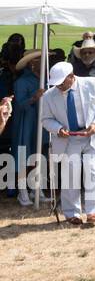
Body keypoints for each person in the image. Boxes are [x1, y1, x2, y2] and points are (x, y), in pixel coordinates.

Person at [40, 61, 95, 225]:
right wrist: (58, 129)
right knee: (70, 173)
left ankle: (93, 211)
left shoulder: (93, 84)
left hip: (92, 134)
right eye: (56, 83)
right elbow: (45, 119)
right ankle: (72, 213)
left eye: (61, 82)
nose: (58, 86)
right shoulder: (48, 95)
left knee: (91, 168)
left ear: (71, 77)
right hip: (68, 138)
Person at [8, 51, 42, 205]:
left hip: (38, 122)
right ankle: (22, 193)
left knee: (38, 155)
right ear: (31, 62)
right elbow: (20, 104)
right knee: (23, 156)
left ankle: (36, 189)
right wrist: (35, 98)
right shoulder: (22, 81)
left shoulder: (42, 79)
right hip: (25, 122)